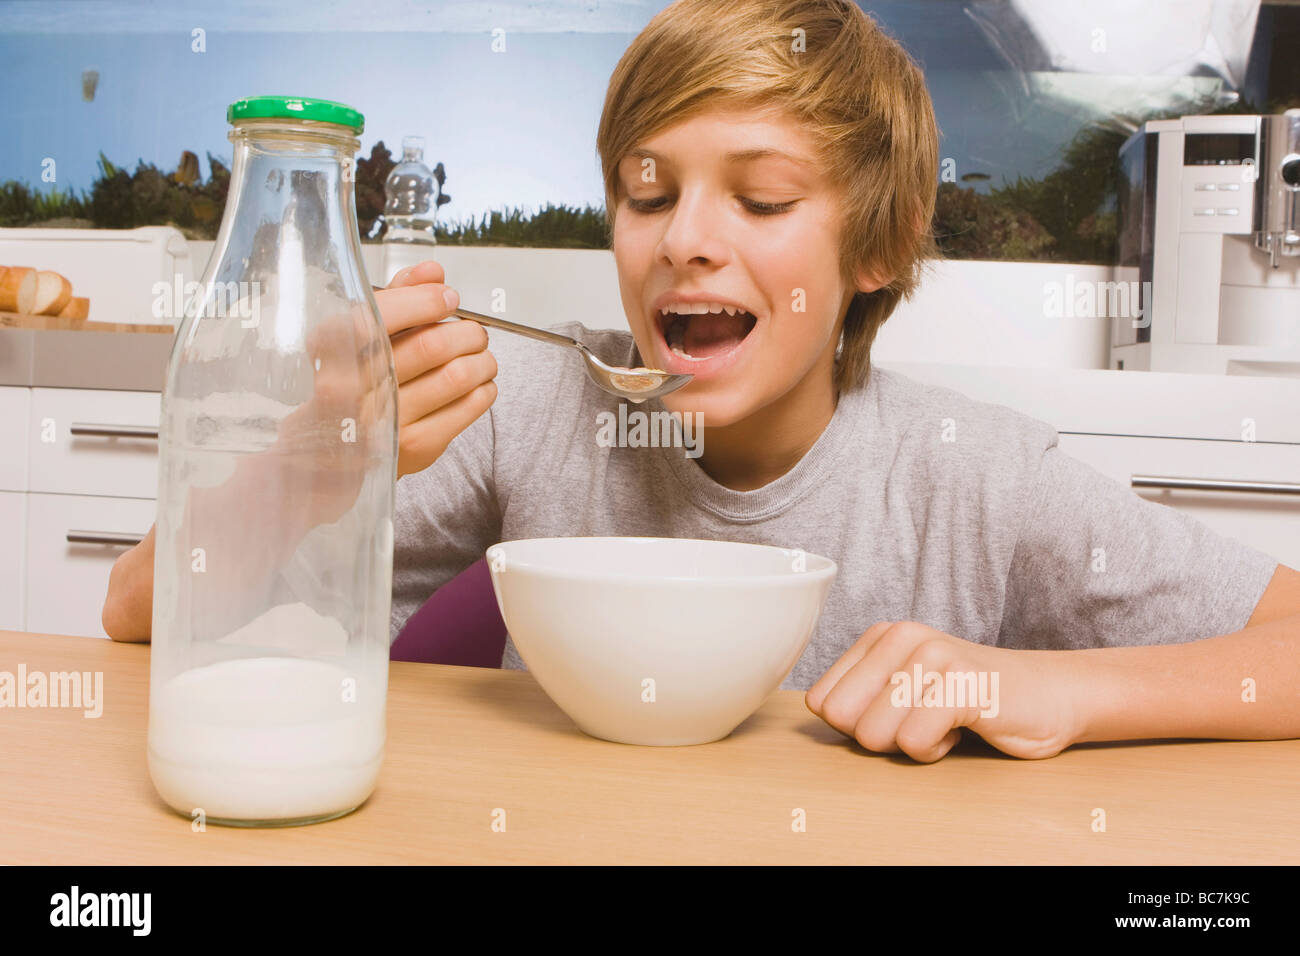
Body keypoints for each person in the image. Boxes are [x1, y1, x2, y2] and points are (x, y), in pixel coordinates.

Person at [105, 0, 1300, 763]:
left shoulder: (973, 478)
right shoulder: (526, 397)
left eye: (763, 199)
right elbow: (139, 610)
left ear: (875, 250)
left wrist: (1051, 685)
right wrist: (318, 456)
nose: (685, 237)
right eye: (647, 191)